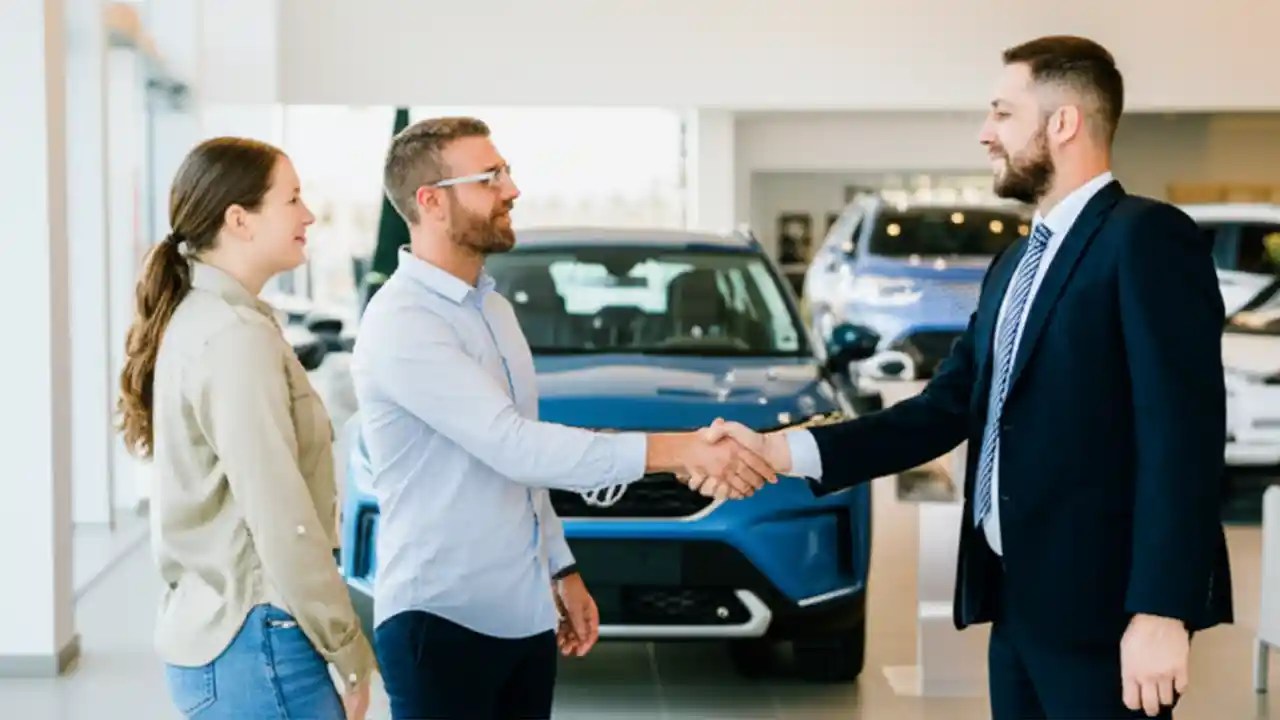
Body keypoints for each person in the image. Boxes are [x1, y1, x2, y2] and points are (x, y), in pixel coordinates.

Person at [702, 36, 1232, 720]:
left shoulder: (1145, 238)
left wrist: (1161, 609)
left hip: (1103, 613)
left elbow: (1182, 437)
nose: (986, 134)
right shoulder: (1014, 263)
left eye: (1003, 113)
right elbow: (945, 408)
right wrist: (780, 451)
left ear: (1063, 122)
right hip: (1015, 603)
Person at [350, 116, 774, 720]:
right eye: (490, 176)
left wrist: (561, 568)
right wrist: (678, 450)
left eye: (507, 172)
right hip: (441, 621)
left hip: (521, 614)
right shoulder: (403, 323)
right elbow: (517, 447)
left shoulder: (492, 308)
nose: (512, 189)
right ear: (431, 203)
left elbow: (523, 474)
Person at [117, 137, 375, 720]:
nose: (308, 215)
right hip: (260, 642)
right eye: (292, 198)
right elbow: (281, 517)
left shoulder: (209, 320)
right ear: (240, 220)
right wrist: (348, 648)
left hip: (229, 635)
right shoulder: (234, 336)